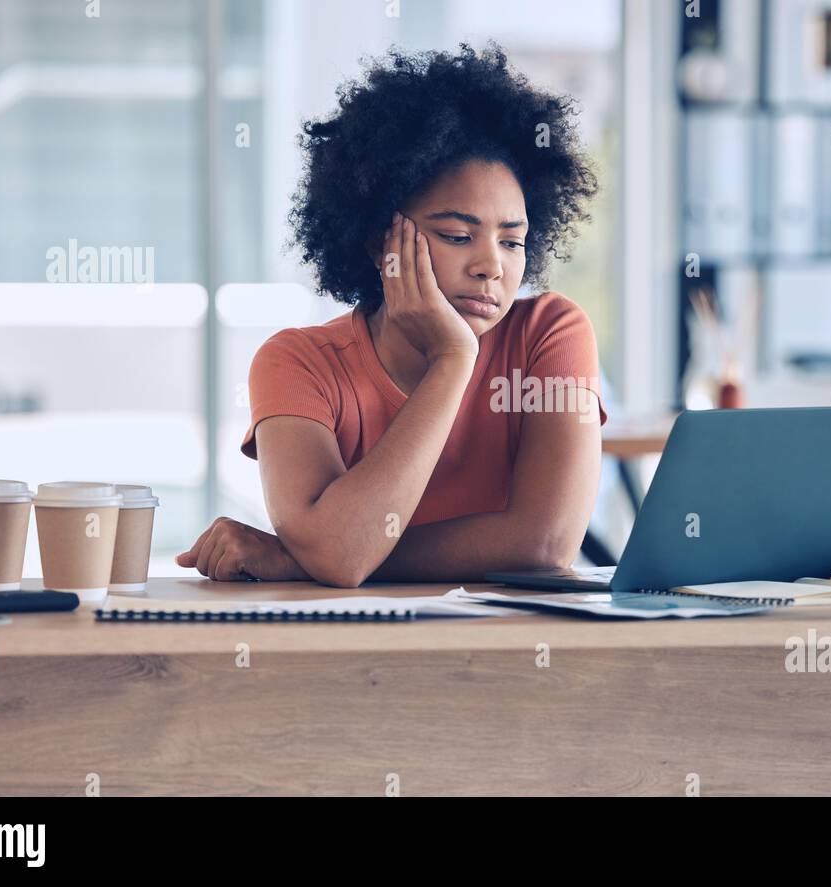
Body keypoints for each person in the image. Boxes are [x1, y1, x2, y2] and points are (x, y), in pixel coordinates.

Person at [177, 42, 607, 586]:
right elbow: (338, 555)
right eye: (457, 235)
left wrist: (307, 557)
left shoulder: (550, 333)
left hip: (514, 658)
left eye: (513, 243)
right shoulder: (297, 363)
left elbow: (545, 543)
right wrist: (453, 359)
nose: (490, 266)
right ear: (382, 240)